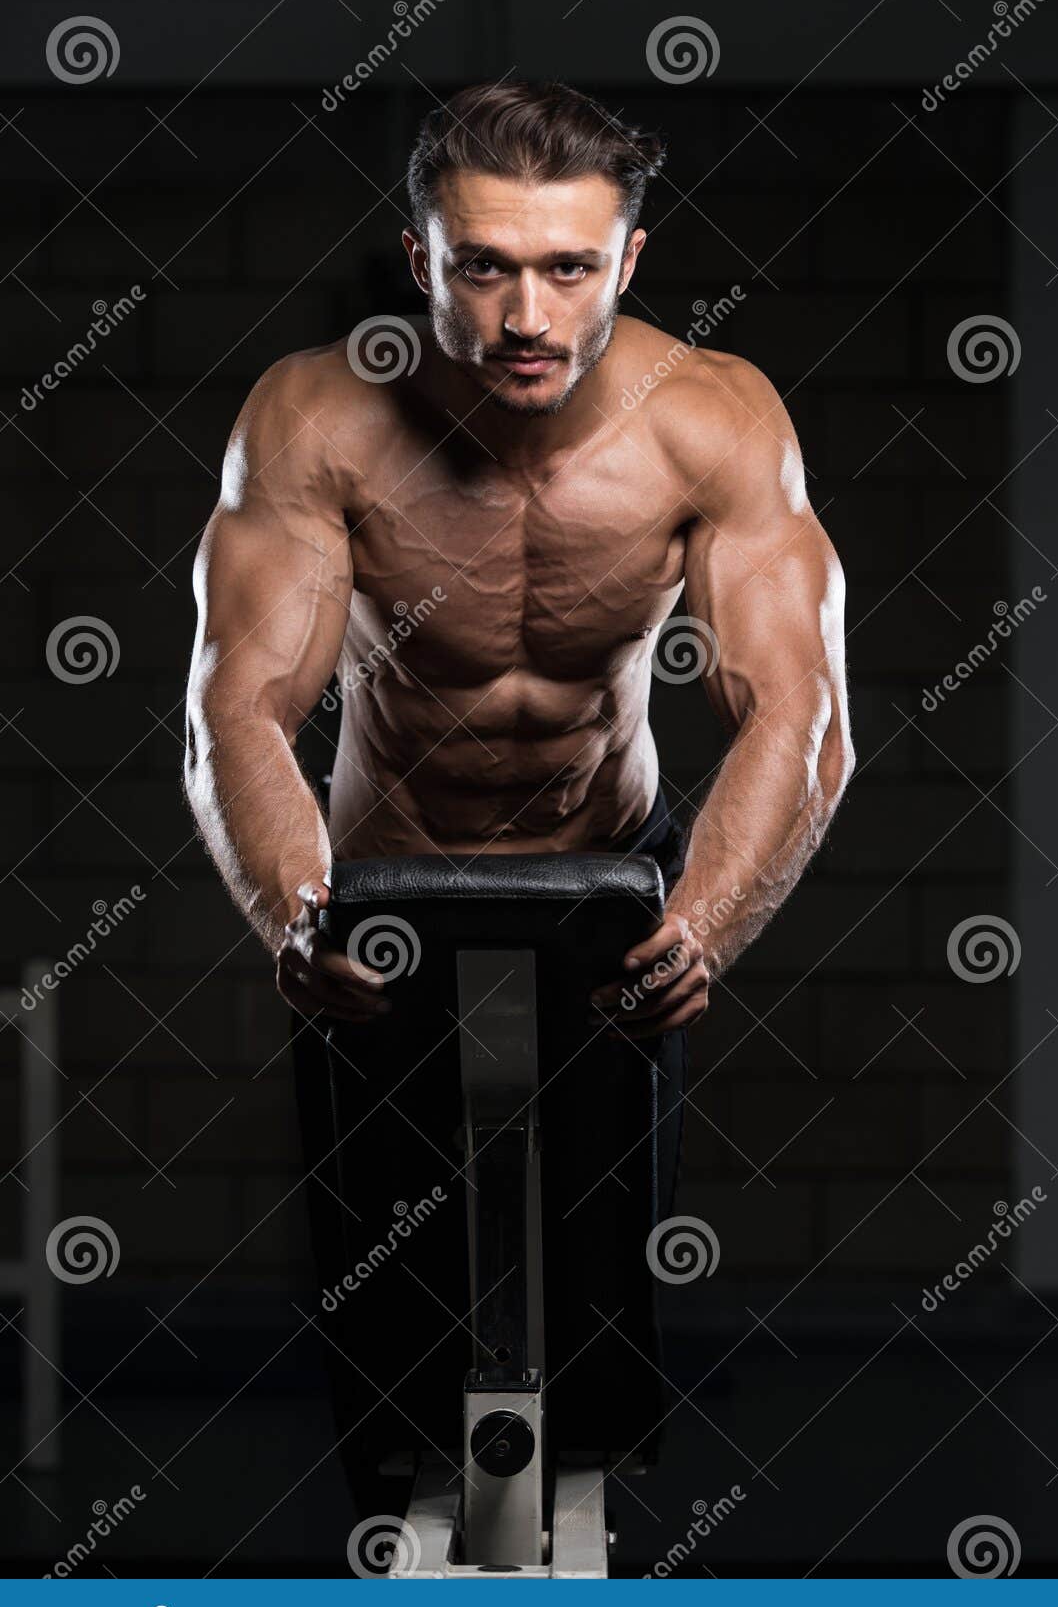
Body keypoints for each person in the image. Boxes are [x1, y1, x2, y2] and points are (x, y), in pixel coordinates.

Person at [184, 80, 853, 1517]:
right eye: (485, 267)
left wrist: (713, 919)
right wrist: (292, 907)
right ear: (426, 260)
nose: (527, 318)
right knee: (390, 1324)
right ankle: (401, 1499)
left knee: (606, 1297)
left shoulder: (715, 422)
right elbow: (237, 704)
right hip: (382, 867)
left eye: (567, 269)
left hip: (611, 870)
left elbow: (802, 712)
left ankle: (594, 1480)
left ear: (628, 259)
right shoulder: (318, 420)